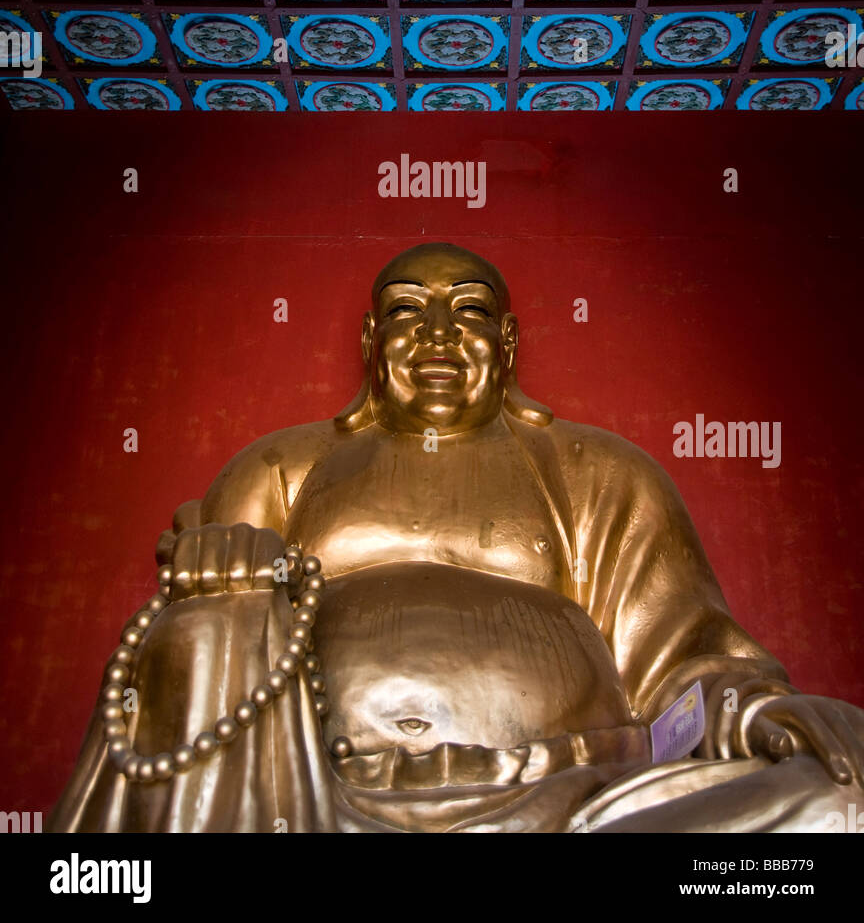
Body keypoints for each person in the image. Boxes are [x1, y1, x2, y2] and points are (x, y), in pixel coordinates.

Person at [50, 243, 864, 833]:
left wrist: (758, 709)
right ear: (371, 346)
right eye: (406, 312)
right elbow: (196, 662)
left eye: (469, 311)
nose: (438, 333)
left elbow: (680, 662)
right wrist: (219, 586)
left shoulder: (597, 473)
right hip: (306, 798)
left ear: (506, 347)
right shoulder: (284, 468)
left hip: (575, 799)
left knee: (827, 808)